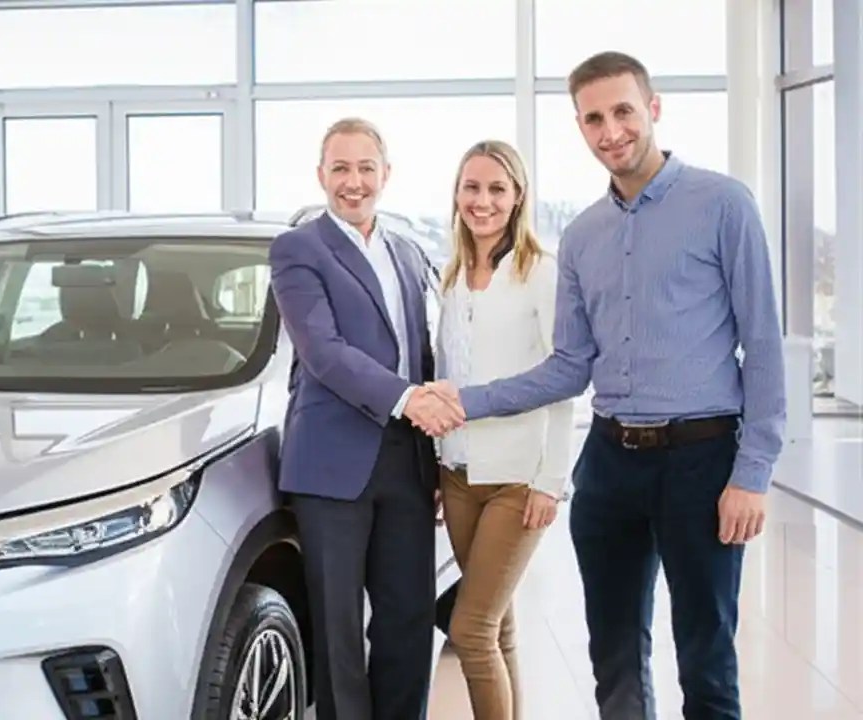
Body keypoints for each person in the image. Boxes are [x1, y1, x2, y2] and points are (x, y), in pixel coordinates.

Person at [429, 51, 786, 720]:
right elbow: (569, 365)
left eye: (623, 111)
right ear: (580, 126)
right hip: (610, 465)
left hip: (702, 461)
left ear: (652, 108)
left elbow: (763, 342)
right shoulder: (585, 235)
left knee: (706, 655)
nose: (610, 130)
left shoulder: (722, 204)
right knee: (614, 656)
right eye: (594, 118)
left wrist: (753, 471)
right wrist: (463, 401)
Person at [268, 117, 457, 720]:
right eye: (341, 168)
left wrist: (433, 453)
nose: (354, 182)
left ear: (386, 174)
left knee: (408, 617)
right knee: (338, 626)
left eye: (365, 168)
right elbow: (322, 352)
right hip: (332, 464)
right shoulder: (298, 248)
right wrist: (408, 398)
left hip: (406, 460)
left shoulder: (406, 250)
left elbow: (421, 349)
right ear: (321, 175)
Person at [434, 139, 574, 720]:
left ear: (518, 197)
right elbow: (446, 375)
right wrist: (438, 466)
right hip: (459, 474)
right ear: (457, 194)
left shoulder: (541, 272)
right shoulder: (452, 277)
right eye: (472, 187)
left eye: (496, 188)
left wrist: (552, 480)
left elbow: (564, 378)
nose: (482, 200)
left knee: (469, 629)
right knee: (499, 626)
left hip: (517, 478)